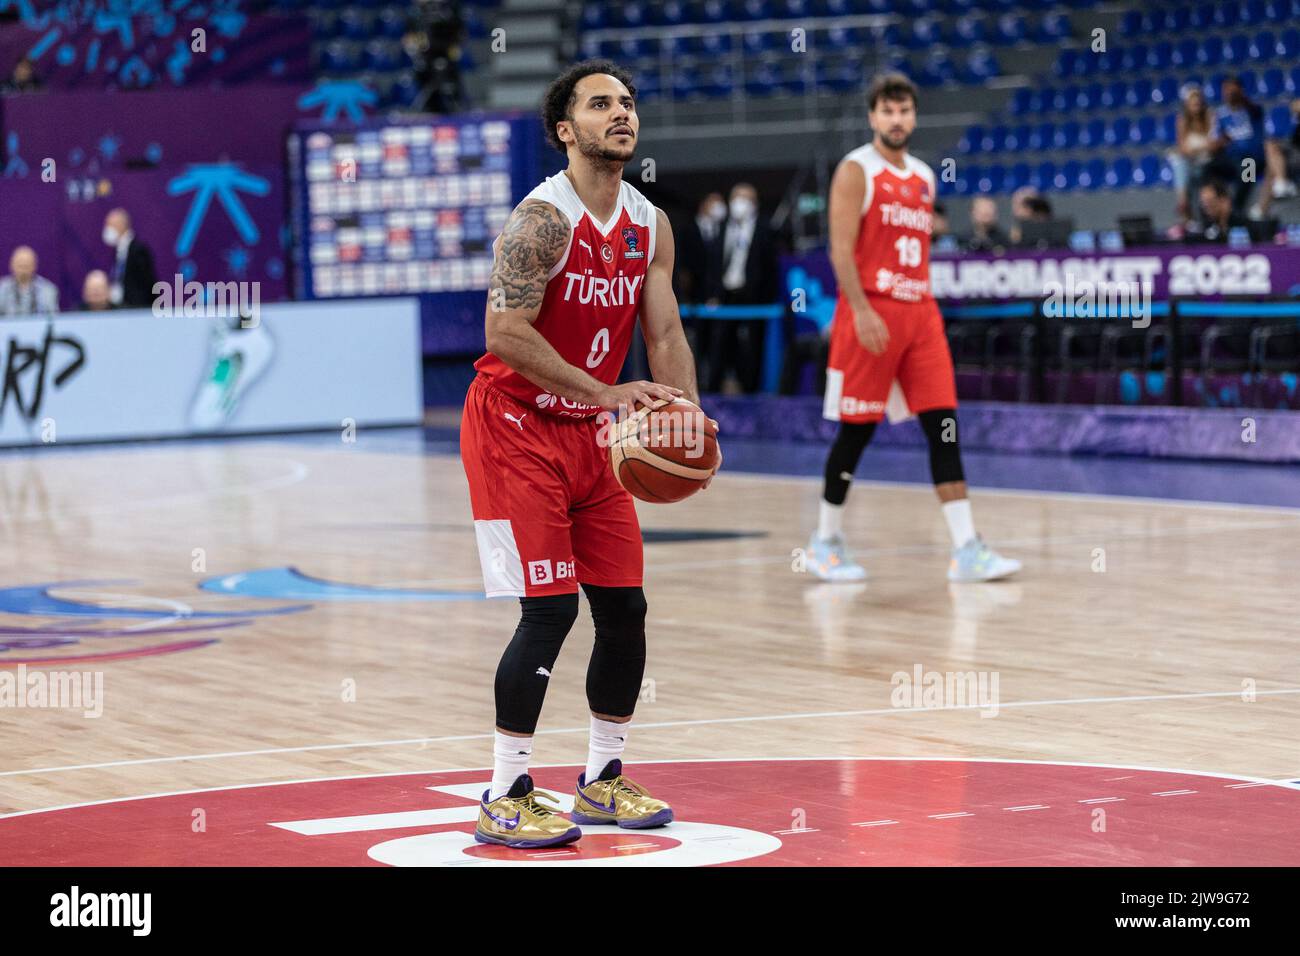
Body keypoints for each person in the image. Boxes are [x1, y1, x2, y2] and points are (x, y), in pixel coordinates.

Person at [460, 60, 719, 849]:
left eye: (629, 102)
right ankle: (505, 789)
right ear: (565, 130)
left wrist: (684, 416)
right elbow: (503, 334)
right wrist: (603, 391)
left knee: (625, 608)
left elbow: (664, 333)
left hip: (592, 434)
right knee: (550, 610)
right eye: (601, 103)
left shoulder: (650, 223)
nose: (621, 113)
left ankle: (602, 780)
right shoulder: (541, 220)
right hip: (515, 424)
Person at [806, 73, 1020, 584]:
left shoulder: (925, 175)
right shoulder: (857, 169)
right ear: (873, 116)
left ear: (914, 116)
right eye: (887, 110)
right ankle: (824, 540)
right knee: (856, 430)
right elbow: (840, 248)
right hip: (871, 311)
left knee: (942, 425)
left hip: (920, 313)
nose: (897, 119)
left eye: (904, 110)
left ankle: (967, 548)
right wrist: (859, 309)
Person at [709, 181, 778, 393]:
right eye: (737, 197)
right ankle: (713, 391)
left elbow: (769, 268)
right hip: (726, 296)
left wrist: (767, 298)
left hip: (753, 298)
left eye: (745, 198)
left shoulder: (765, 229)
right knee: (720, 343)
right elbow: (712, 265)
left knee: (752, 346)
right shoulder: (721, 227)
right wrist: (712, 294)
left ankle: (751, 391)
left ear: (754, 203)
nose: (740, 203)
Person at [678, 192, 726, 386]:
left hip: (716, 300)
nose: (718, 208)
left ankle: (712, 383)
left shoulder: (722, 232)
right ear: (703, 206)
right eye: (714, 203)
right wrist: (686, 297)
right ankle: (690, 383)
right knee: (691, 342)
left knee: (715, 344)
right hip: (692, 300)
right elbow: (684, 268)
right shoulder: (688, 231)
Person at [1205, 76, 1266, 215]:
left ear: (1241, 90)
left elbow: (1255, 111)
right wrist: (1222, 141)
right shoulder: (1220, 115)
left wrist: (1240, 98)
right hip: (1231, 157)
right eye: (1226, 89)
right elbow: (1213, 144)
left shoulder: (1253, 110)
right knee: (1207, 169)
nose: (1229, 93)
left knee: (1247, 172)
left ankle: (1237, 209)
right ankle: (1213, 210)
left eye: (1232, 89)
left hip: (1252, 158)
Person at [1169, 85, 1213, 227]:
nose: (1196, 105)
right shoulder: (1182, 121)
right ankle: (1184, 205)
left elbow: (1214, 144)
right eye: (1193, 103)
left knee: (1248, 171)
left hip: (1211, 161)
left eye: (1198, 102)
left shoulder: (1210, 117)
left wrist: (1198, 149)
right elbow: (1182, 148)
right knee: (1180, 164)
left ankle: (1183, 207)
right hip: (1191, 162)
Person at [101, 208, 158, 309]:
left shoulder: (138, 250)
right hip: (122, 308)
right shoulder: (118, 250)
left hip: (137, 310)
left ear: (121, 225)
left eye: (110, 225)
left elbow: (147, 283)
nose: (107, 229)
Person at [0, 246, 58, 316]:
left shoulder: (47, 289)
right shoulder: (2, 288)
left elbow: (53, 318)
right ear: (12, 265)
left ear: (34, 266)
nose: (23, 271)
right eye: (20, 266)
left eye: (26, 266)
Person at [1186, 178, 1249, 243]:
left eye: (1210, 202)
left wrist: (1223, 221)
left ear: (1224, 200)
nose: (1206, 208)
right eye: (1203, 203)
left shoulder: (1245, 226)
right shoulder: (1203, 230)